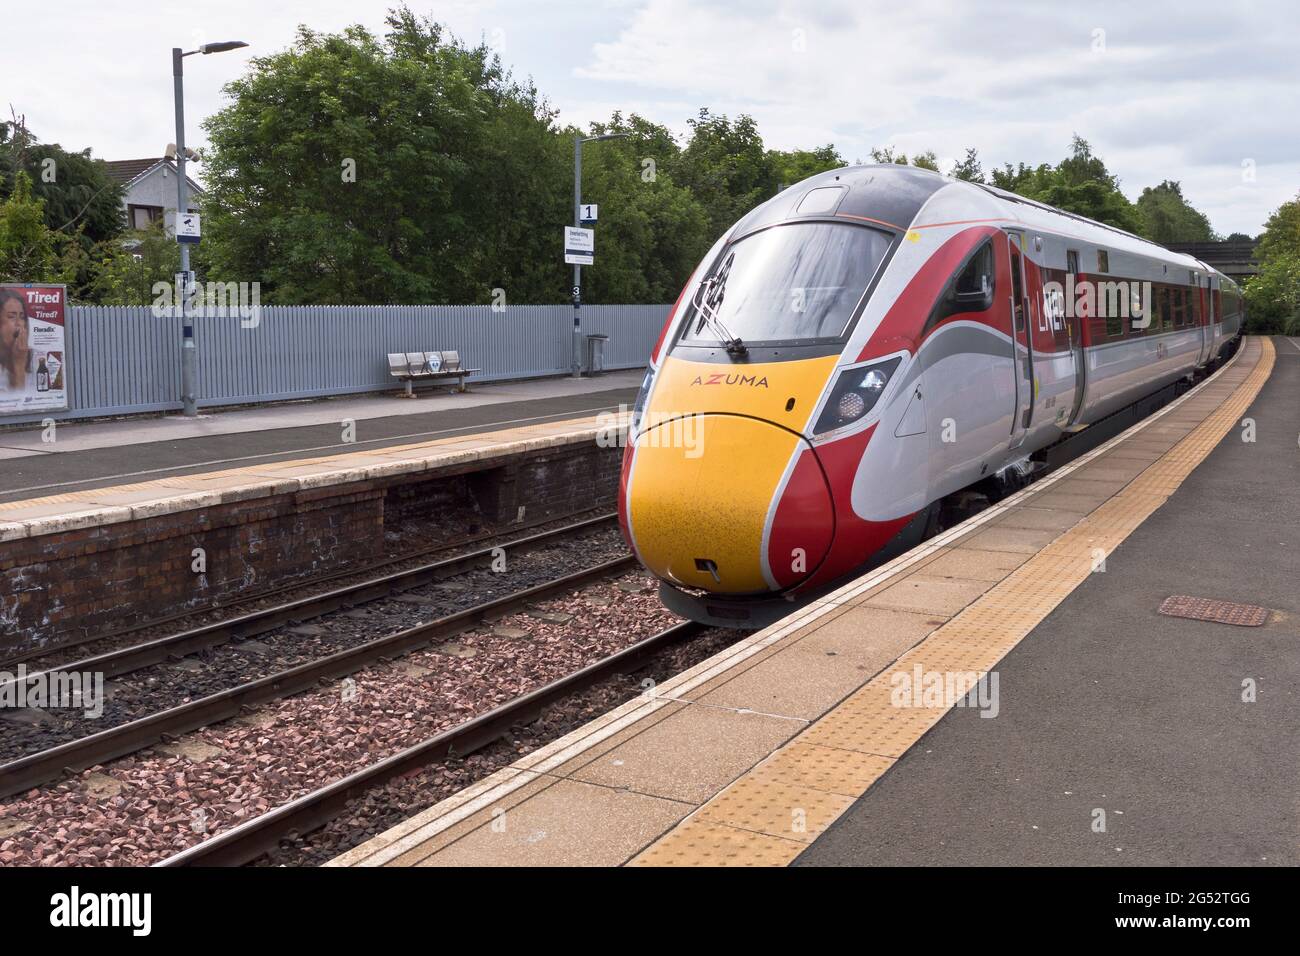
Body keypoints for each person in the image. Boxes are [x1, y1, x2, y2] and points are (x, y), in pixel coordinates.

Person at [0, 289, 33, 393]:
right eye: (11, 317)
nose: (19, 323)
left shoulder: (36, 360)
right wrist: (19, 367)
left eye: (22, 317)